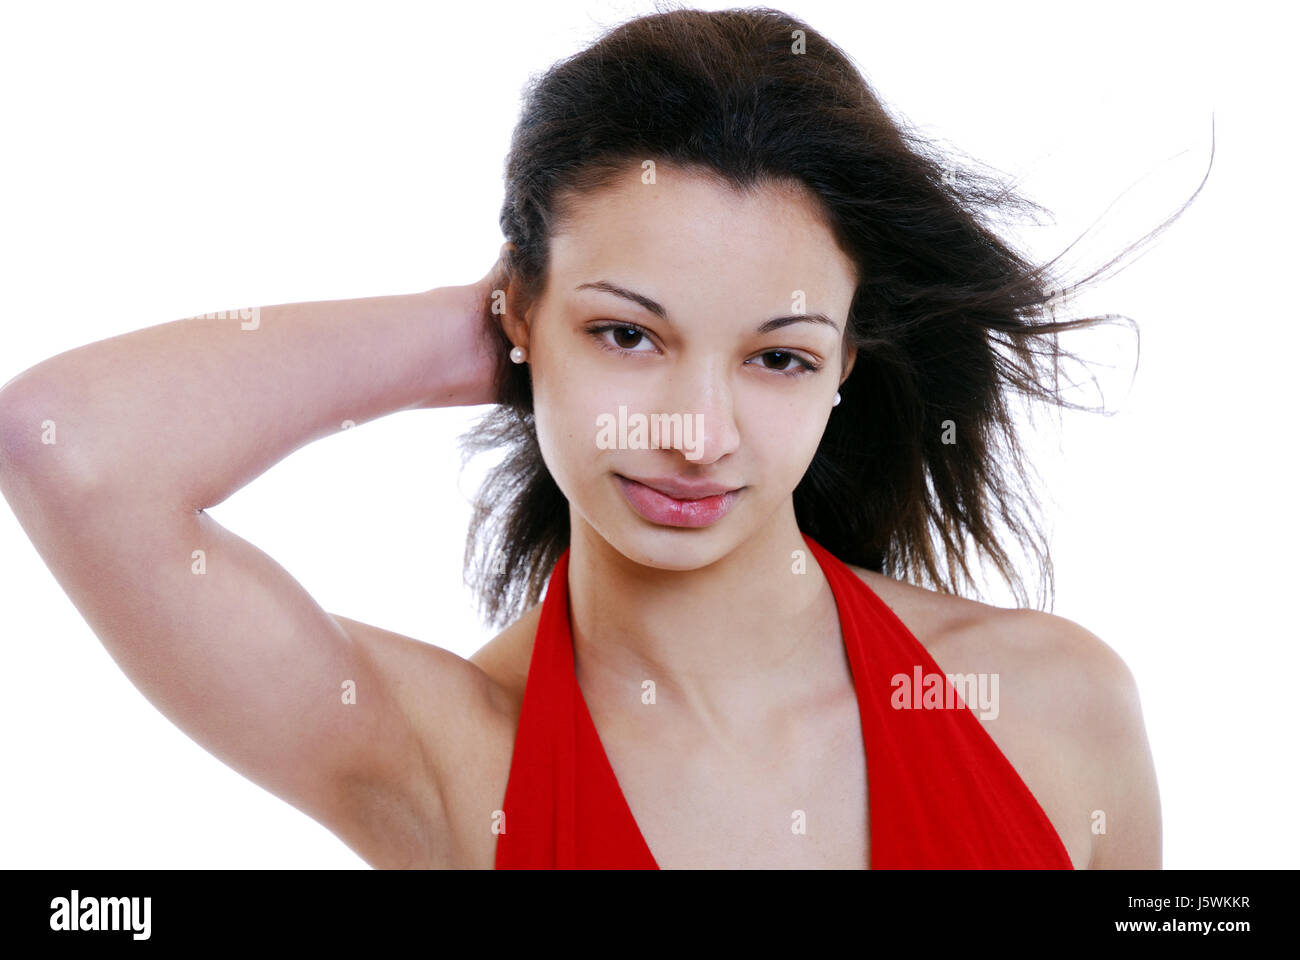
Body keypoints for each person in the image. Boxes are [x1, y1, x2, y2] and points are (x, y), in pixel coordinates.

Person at [0, 6, 1191, 869]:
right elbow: (65, 441)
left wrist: (586, 319)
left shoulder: (1049, 709)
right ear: (519, 307)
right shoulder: (459, 764)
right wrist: (479, 335)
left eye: (777, 356)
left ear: (842, 366)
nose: (694, 432)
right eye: (629, 336)